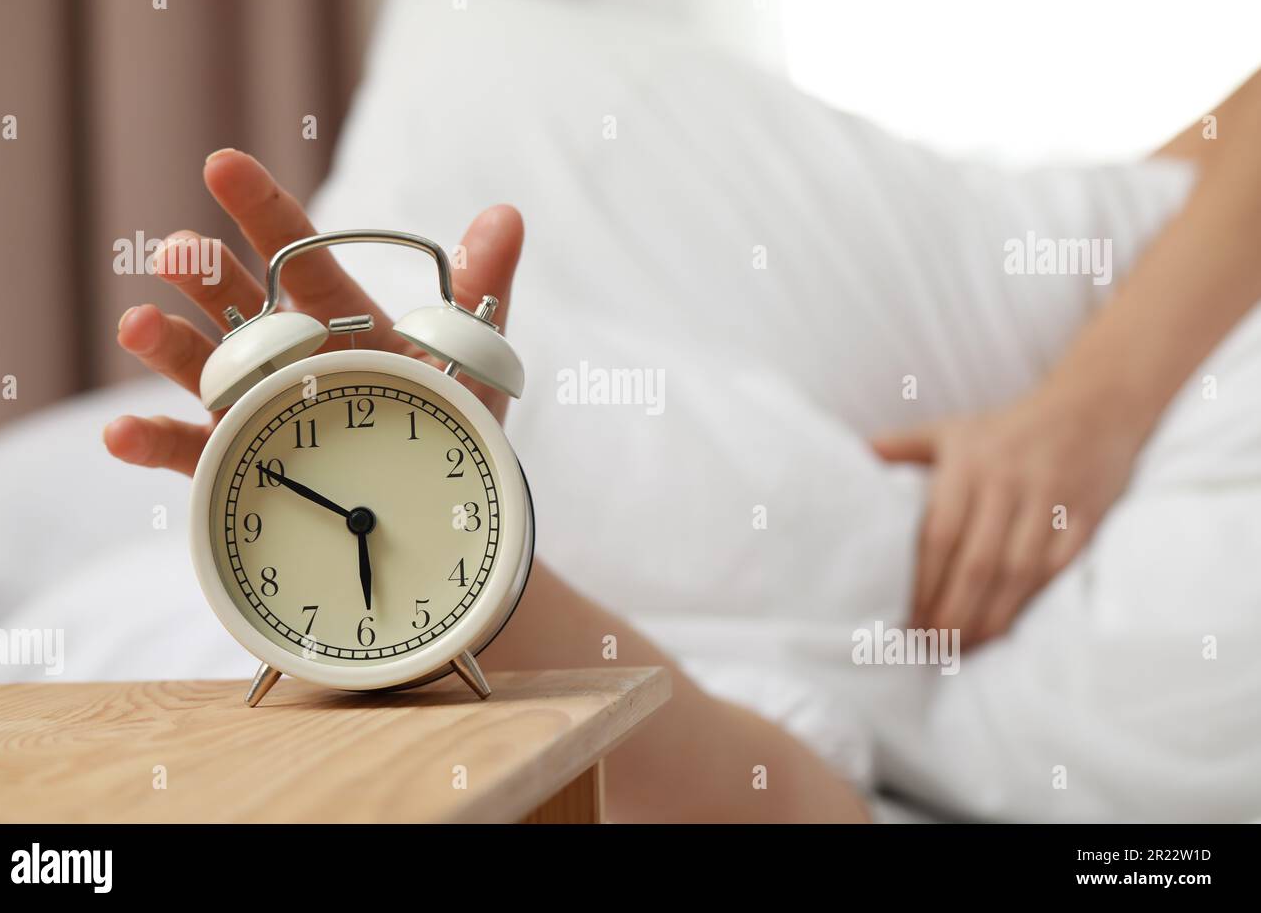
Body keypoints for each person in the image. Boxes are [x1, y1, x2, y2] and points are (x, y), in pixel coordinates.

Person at [104, 66, 1261, 821]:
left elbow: (788, 803)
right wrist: (1078, 413)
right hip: (885, 485)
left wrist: (440, 589)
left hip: (815, 637)